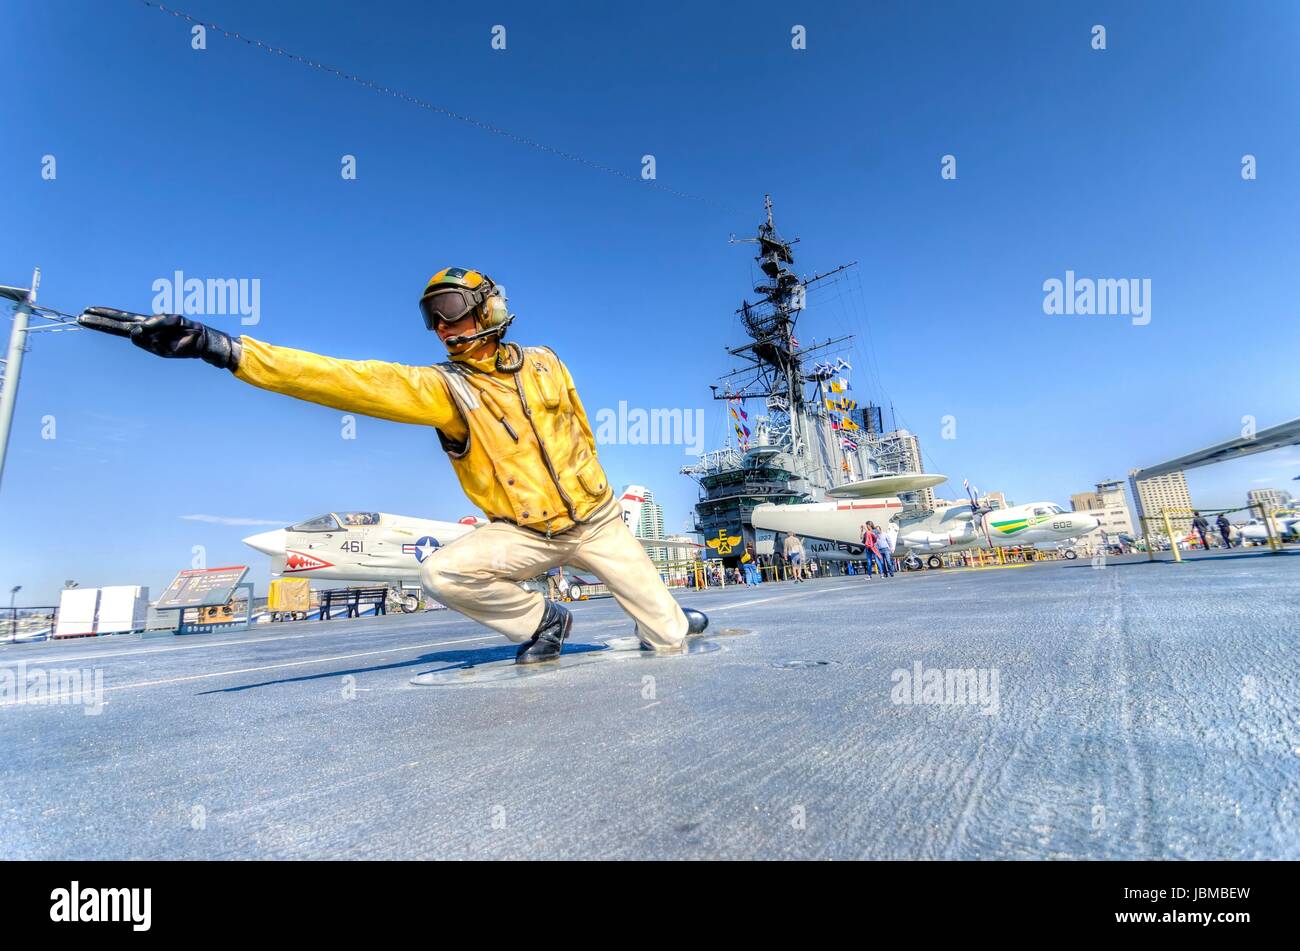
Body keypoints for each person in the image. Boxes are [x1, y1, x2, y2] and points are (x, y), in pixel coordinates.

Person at [78, 267, 707, 664]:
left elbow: (580, 430)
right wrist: (221, 348)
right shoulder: (443, 389)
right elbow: (342, 379)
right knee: (443, 574)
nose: (440, 325)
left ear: (487, 307)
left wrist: (593, 496)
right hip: (521, 533)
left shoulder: (547, 361)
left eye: (452, 308)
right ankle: (543, 618)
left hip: (597, 522)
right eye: (431, 316)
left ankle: (671, 615)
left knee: (670, 643)